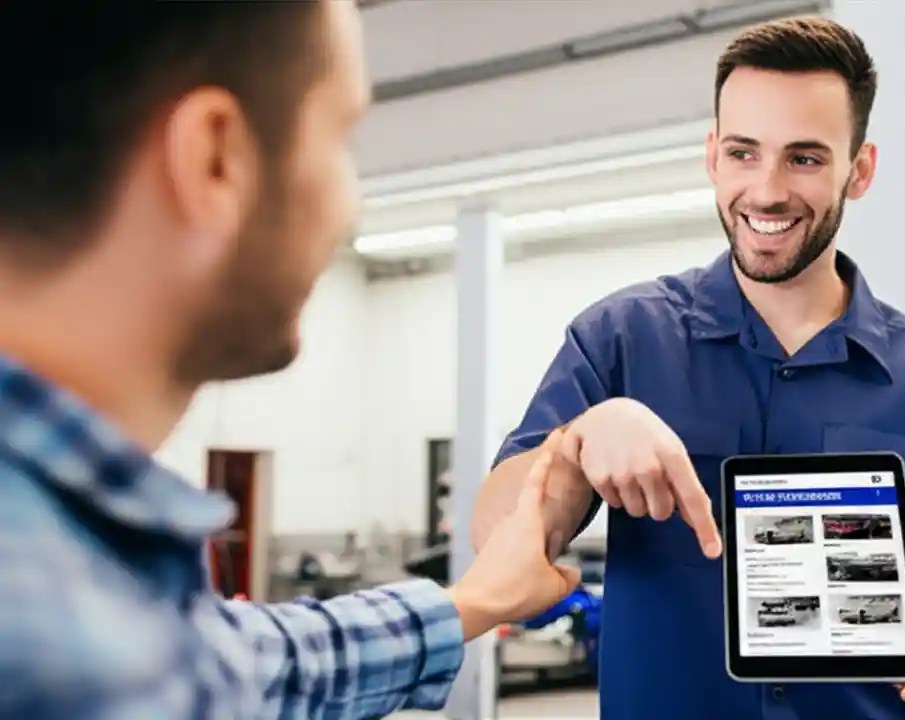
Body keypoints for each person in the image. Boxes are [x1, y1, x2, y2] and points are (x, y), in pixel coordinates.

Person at [0, 2, 578, 718]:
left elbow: (231, 658)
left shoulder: (80, 589)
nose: (348, 205)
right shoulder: (62, 655)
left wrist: (478, 599)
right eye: (339, 138)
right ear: (216, 159)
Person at [472, 15, 905, 720]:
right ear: (712, 156)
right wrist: (577, 439)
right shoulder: (621, 340)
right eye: (743, 153)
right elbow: (497, 533)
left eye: (804, 158)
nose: (766, 191)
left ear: (859, 171)